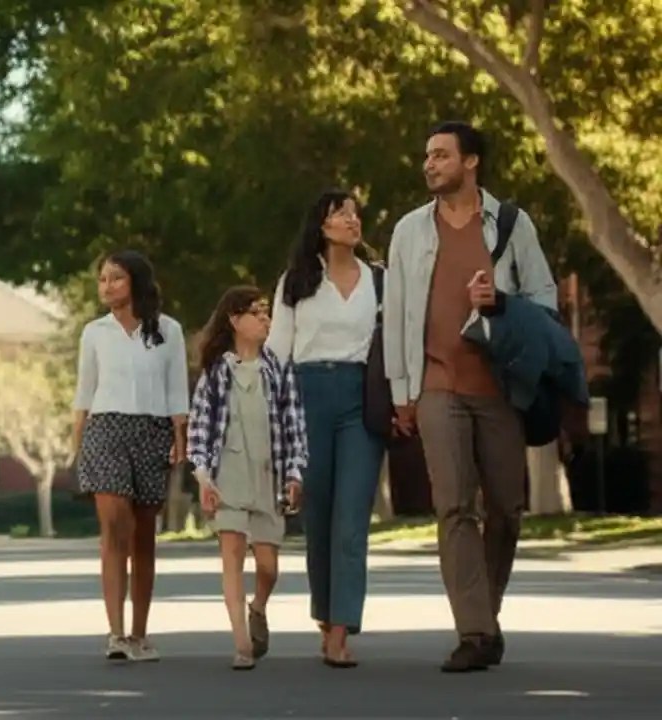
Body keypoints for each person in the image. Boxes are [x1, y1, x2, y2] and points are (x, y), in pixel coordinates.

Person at [385, 121, 558, 672]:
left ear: (471, 161)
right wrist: (401, 391)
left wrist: (499, 301)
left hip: (501, 389)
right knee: (455, 505)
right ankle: (474, 631)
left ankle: (487, 615)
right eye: (427, 156)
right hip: (437, 385)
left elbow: (546, 298)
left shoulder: (511, 224)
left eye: (440, 155)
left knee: (506, 509)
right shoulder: (410, 231)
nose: (429, 164)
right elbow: (396, 316)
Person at [266, 190, 387, 668]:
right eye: (341, 213)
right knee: (317, 519)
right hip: (307, 394)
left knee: (352, 519)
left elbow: (394, 338)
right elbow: (276, 350)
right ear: (321, 223)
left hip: (361, 397)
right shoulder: (296, 281)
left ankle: (341, 631)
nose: (351, 220)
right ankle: (325, 613)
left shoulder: (380, 278)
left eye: (355, 214)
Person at [73, 250, 189, 663]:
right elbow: (84, 392)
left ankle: (140, 634)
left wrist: (181, 437)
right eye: (102, 279)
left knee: (143, 535)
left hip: (152, 430)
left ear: (135, 282)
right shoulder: (94, 333)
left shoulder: (167, 331)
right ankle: (116, 633)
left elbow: (177, 389)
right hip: (105, 429)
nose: (107, 286)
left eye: (116, 278)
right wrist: (78, 442)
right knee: (114, 523)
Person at [187, 286, 307, 670]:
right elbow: (200, 429)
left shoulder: (278, 369)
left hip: (268, 478)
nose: (265, 320)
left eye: (267, 313)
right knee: (232, 557)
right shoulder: (216, 372)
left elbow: (295, 427)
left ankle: (258, 607)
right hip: (229, 477)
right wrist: (204, 477)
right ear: (235, 320)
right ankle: (241, 643)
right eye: (257, 313)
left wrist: (294, 473)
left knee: (268, 566)